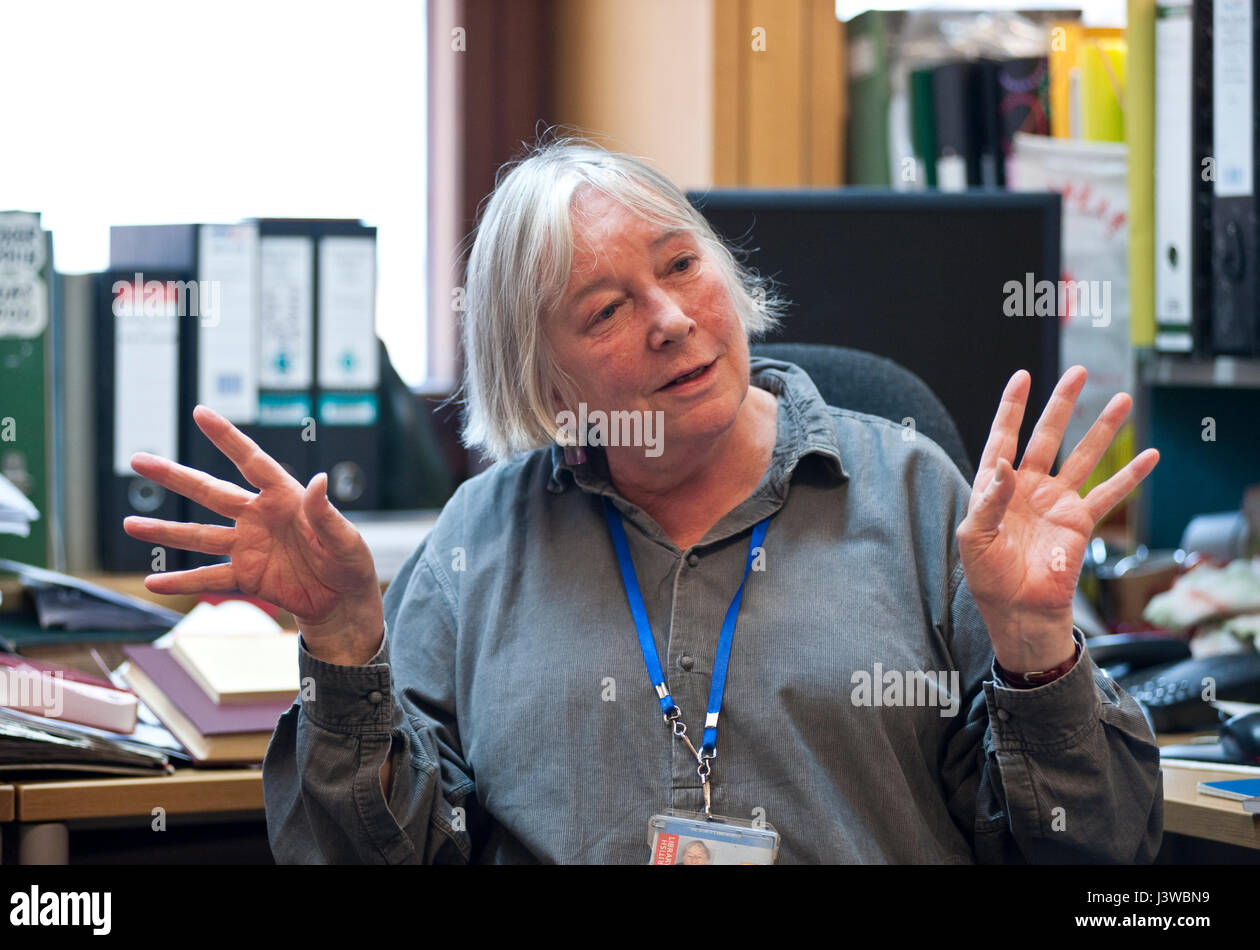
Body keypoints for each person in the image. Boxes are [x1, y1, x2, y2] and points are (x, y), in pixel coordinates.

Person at [124, 135, 1163, 864]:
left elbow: (1104, 848)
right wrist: (348, 646)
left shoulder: (917, 497)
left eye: (682, 264)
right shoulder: (478, 545)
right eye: (606, 308)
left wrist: (1037, 651)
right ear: (541, 379)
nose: (670, 318)